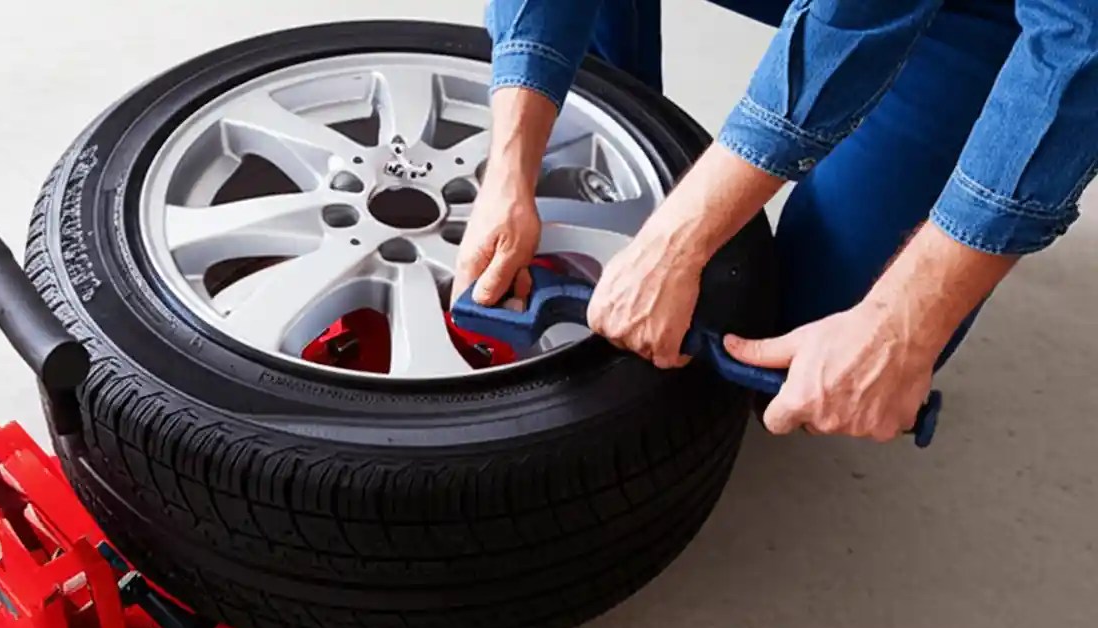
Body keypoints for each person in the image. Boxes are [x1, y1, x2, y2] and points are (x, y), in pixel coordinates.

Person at [452, 0, 1097, 441]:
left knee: (805, 342)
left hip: (999, 16)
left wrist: (905, 325)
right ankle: (618, 160)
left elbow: (1082, 43)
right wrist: (510, 170)